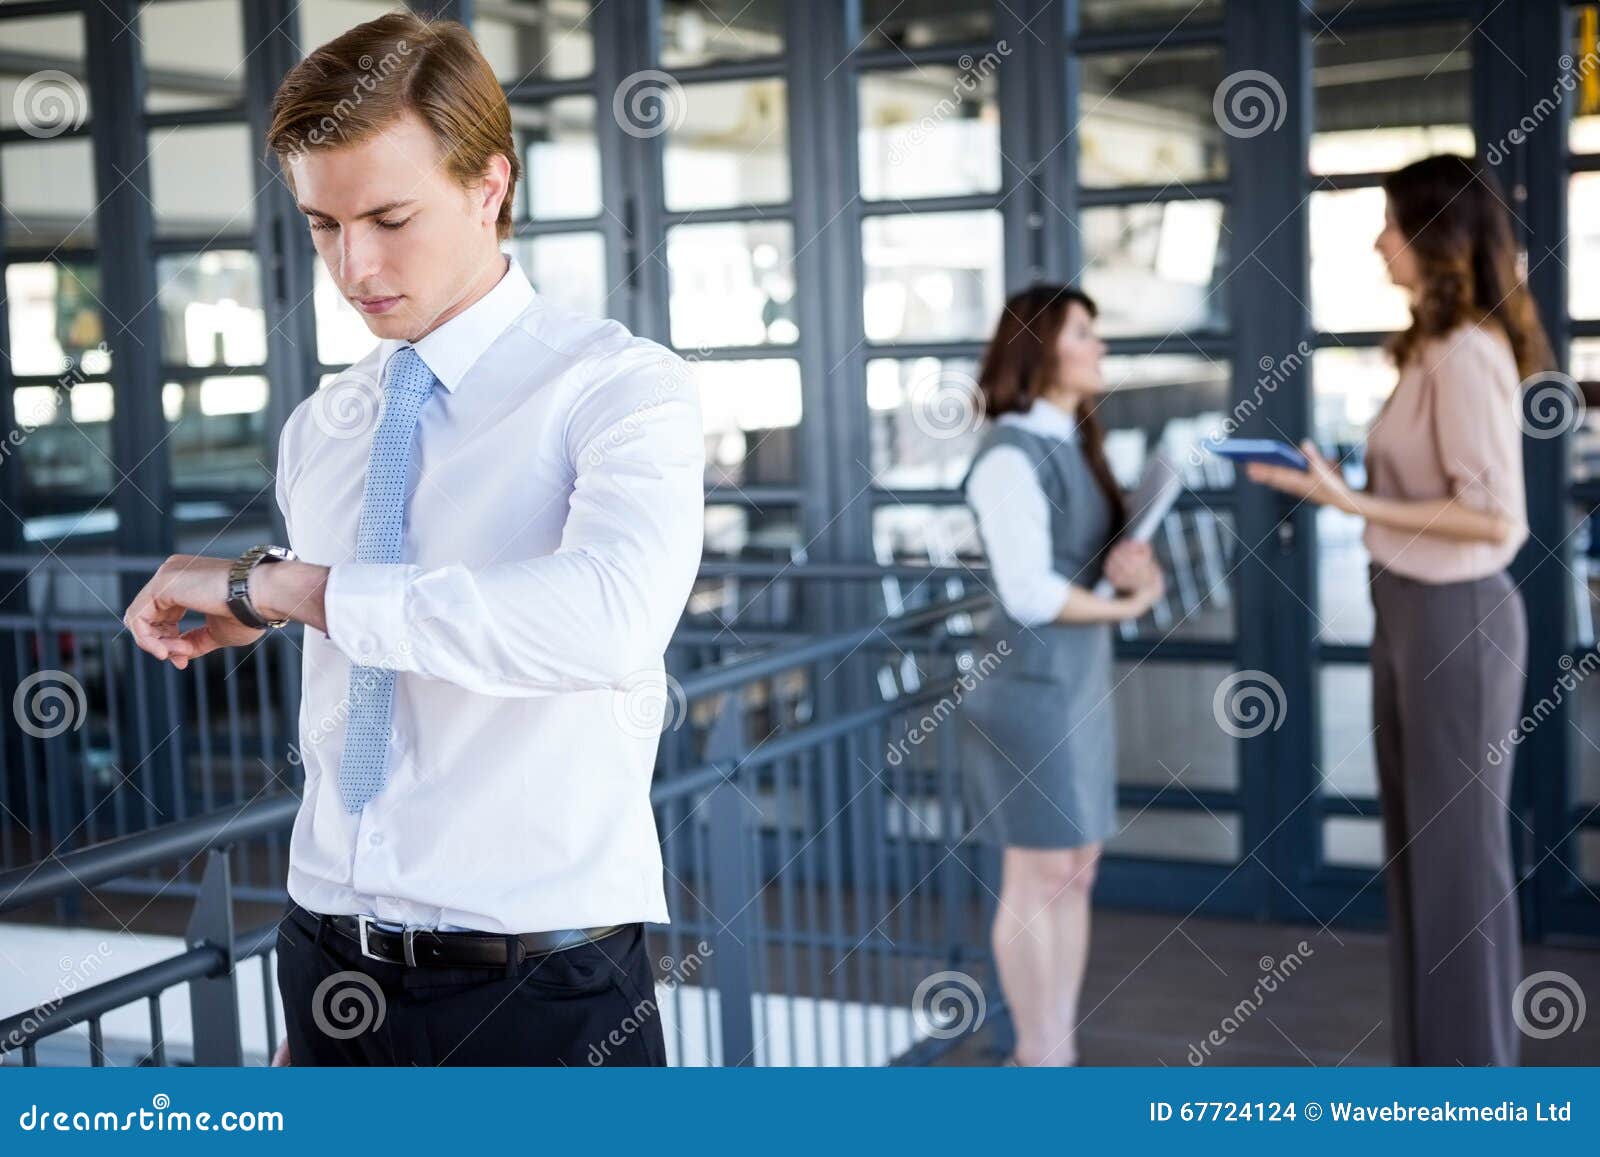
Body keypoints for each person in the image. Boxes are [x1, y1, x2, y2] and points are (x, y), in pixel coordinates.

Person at [120, 12, 705, 1066]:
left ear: (489, 185)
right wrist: (258, 612)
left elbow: (607, 621)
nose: (354, 265)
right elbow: (358, 619)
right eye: (321, 225)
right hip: (327, 959)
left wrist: (284, 586)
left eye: (390, 216)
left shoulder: (619, 387)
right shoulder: (324, 424)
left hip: (539, 994)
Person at [1246, 154, 1555, 1066]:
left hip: (1456, 618)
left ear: (1437, 238)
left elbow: (1497, 515)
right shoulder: (1429, 348)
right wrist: (1340, 487)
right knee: (1423, 866)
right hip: (1411, 611)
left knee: (1459, 874)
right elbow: (1423, 490)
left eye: (1391, 223)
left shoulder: (1467, 354)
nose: (1379, 239)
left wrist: (1355, 507)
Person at [955, 285, 1165, 1066]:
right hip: (1027, 696)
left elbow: (1089, 574)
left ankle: (1054, 1048)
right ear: (1042, 348)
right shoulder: (1008, 452)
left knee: (1075, 869)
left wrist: (1136, 576)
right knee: (1040, 870)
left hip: (1072, 687)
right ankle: (1038, 1058)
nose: (1100, 346)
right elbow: (1030, 593)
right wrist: (1122, 609)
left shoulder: (1071, 440)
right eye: (1086, 332)